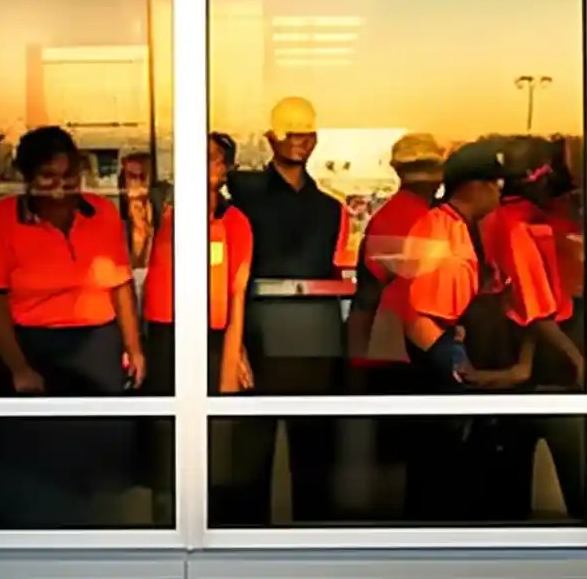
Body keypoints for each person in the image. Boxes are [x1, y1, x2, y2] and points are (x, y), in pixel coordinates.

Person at [0, 125, 145, 527]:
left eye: (69, 178)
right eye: (48, 177)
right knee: (29, 474)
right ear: (26, 178)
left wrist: (134, 348)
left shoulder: (101, 215)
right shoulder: (0, 222)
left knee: (96, 471)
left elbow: (120, 288)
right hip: (30, 347)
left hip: (95, 346)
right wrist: (19, 369)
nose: (60, 188)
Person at [382, 139, 534, 521]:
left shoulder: (457, 227)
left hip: (446, 344)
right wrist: (448, 359)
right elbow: (413, 306)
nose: (500, 193)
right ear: (476, 186)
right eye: (496, 184)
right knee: (441, 466)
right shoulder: (438, 229)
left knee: (456, 464)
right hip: (435, 356)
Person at [224, 96, 354, 525]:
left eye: (307, 134)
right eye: (291, 134)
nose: (300, 142)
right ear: (271, 138)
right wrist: (234, 343)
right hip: (258, 333)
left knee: (315, 455)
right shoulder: (242, 196)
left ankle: (316, 546)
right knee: (249, 459)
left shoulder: (330, 208)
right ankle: (241, 547)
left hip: (315, 337)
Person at [479, 134, 587, 521]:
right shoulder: (518, 224)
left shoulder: (533, 219)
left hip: (531, 367)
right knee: (585, 494)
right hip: (551, 373)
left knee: (511, 491)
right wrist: (578, 358)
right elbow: (534, 306)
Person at [143, 132, 255, 395]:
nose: (202, 165)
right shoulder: (163, 212)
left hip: (211, 334)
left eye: (212, 159)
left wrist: (232, 362)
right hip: (163, 332)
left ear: (225, 169)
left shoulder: (234, 222)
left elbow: (237, 294)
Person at [346, 132, 446, 392]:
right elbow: (373, 294)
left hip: (397, 350)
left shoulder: (400, 214)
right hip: (404, 353)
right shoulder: (413, 217)